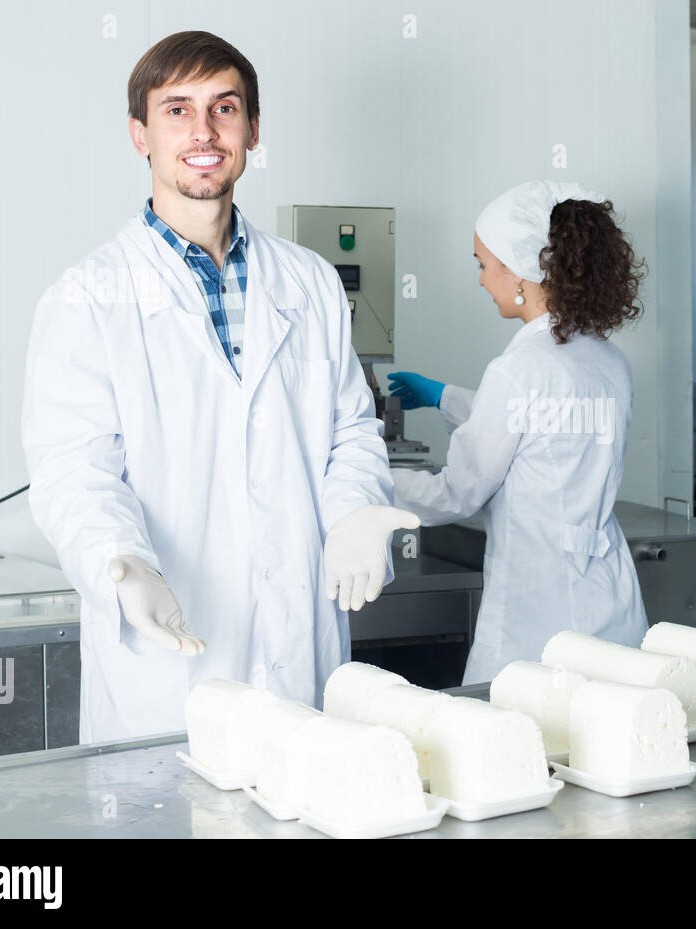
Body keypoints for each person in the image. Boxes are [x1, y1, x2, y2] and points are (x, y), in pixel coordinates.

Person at [21, 31, 416, 743]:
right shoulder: (87, 297)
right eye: (177, 109)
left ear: (253, 130)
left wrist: (355, 507)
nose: (202, 132)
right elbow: (72, 473)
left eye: (223, 108)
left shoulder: (311, 283)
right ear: (140, 133)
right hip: (166, 682)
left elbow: (351, 430)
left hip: (299, 666)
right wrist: (122, 562)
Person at [389, 179, 649, 685]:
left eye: (484, 265)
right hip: (610, 606)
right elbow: (545, 433)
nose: (483, 281)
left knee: (519, 746)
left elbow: (456, 494)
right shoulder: (609, 362)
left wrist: (365, 478)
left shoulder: (519, 369)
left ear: (521, 273)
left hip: (536, 618)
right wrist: (444, 395)